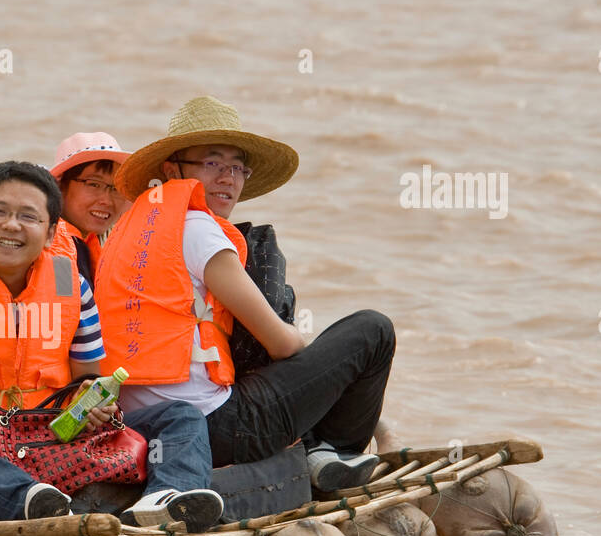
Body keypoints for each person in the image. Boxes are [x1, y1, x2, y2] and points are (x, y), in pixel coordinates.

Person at [0, 160, 226, 532]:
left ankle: (164, 500)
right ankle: (32, 501)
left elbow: (88, 385)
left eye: (28, 216)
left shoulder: (73, 289)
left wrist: (96, 403)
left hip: (54, 442)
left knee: (181, 416)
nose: (11, 225)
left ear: (52, 232)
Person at [99, 96, 396, 491]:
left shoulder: (123, 236)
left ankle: (324, 446)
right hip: (216, 427)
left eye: (237, 167)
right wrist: (310, 351)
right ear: (173, 170)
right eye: (213, 162)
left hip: (143, 424)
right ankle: (329, 451)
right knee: (373, 331)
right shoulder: (200, 231)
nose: (228, 177)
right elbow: (281, 344)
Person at [47, 132, 132, 284]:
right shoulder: (57, 250)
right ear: (60, 187)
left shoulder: (80, 247)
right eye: (93, 184)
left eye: (115, 189)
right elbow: (65, 304)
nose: (106, 200)